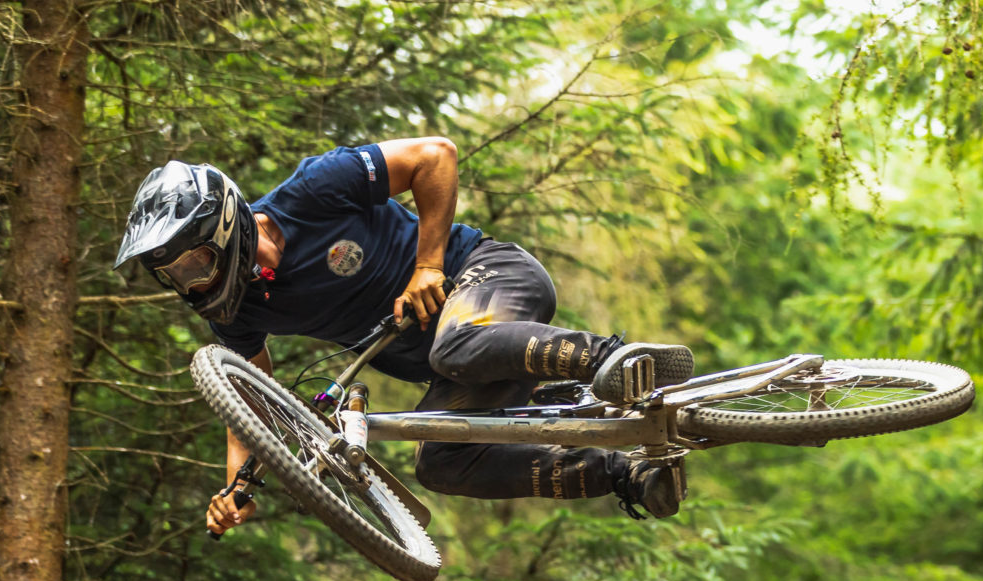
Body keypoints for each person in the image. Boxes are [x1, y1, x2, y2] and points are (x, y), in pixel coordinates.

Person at [113, 139, 695, 535]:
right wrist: (236, 484)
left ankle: (614, 357)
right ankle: (632, 475)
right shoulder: (238, 309)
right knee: (440, 463)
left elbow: (435, 157)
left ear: (222, 226)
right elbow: (246, 398)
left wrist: (427, 266)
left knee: (455, 343)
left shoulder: (313, 191)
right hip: (462, 363)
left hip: (489, 278)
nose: (190, 283)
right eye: (175, 276)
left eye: (193, 264)